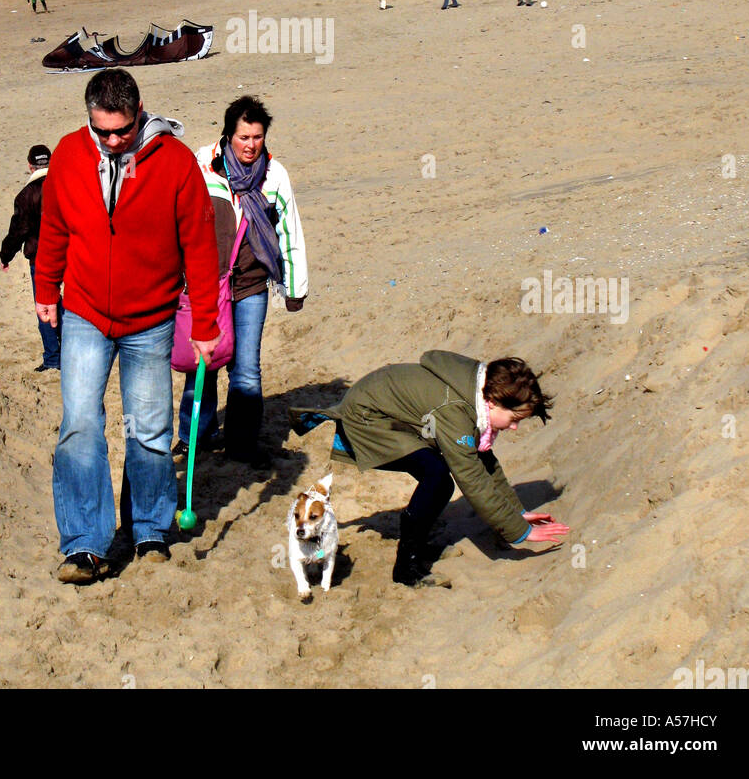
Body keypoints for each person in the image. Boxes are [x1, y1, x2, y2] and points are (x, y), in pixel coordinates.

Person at [35, 68, 220, 581]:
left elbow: (200, 249)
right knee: (79, 425)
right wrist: (46, 290)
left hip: (152, 320)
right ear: (89, 120)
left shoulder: (177, 163)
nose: (113, 141)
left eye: (123, 130)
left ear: (140, 113)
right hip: (86, 313)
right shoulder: (70, 156)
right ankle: (84, 544)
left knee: (150, 430)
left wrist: (205, 322)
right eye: (103, 131)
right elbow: (54, 228)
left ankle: (150, 529)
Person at [289, 351, 567, 585]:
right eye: (515, 418)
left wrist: (516, 512)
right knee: (438, 478)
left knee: (440, 477)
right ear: (493, 402)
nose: (515, 426)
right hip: (367, 419)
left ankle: (418, 548)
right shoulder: (458, 409)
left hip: (389, 414)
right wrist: (519, 531)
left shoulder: (475, 391)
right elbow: (471, 476)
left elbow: (485, 463)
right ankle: (406, 568)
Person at [176, 96, 307, 468]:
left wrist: (296, 290)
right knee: (204, 362)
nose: (251, 145)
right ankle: (194, 437)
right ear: (228, 135)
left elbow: (289, 231)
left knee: (247, 367)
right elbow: (179, 221)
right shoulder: (203, 167)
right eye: (243, 137)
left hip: (250, 285)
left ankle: (241, 443)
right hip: (205, 284)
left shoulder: (274, 175)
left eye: (258, 137)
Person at [0, 144, 62, 372]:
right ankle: (67, 353)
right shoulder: (64, 185)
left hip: (42, 257)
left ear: (30, 166)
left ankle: (53, 358)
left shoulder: (26, 195)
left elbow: (18, 230)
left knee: (45, 307)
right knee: (64, 304)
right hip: (70, 253)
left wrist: (5, 256)